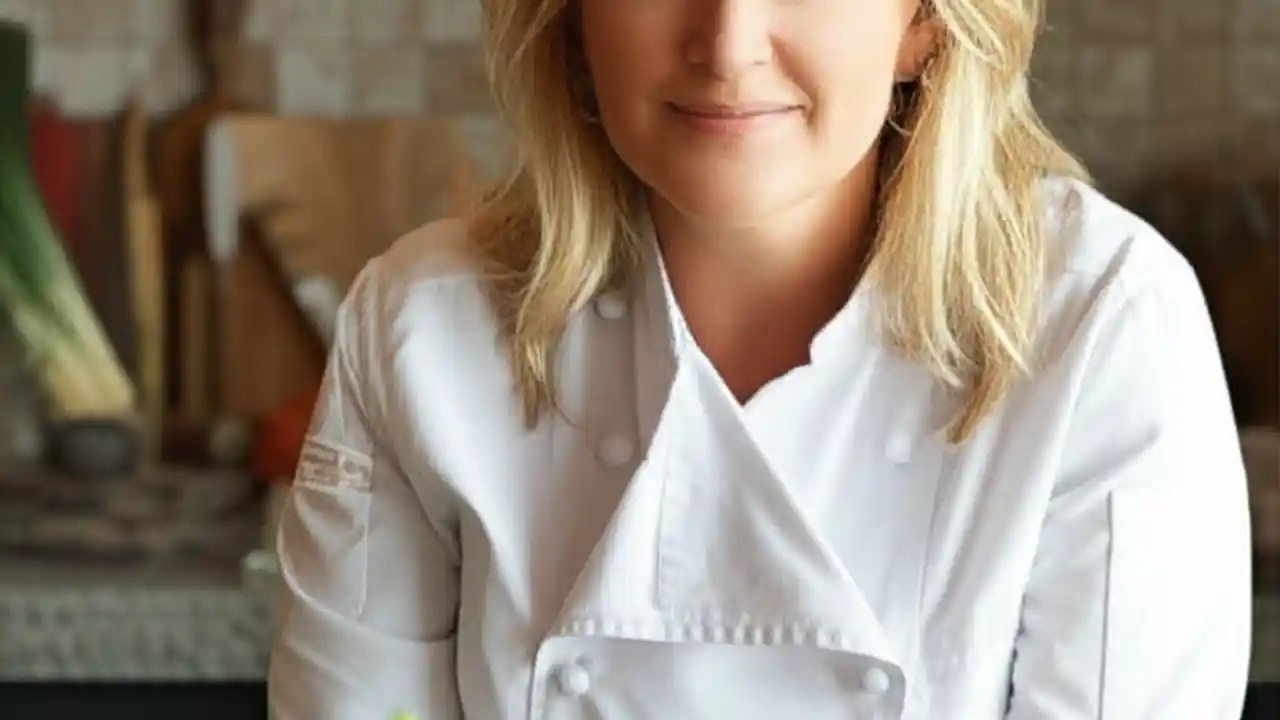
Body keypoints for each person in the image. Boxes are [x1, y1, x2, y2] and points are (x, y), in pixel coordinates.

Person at [267, 0, 1253, 717]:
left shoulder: (1101, 323)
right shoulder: (420, 328)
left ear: (924, 23)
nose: (728, 43)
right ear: (569, 20)